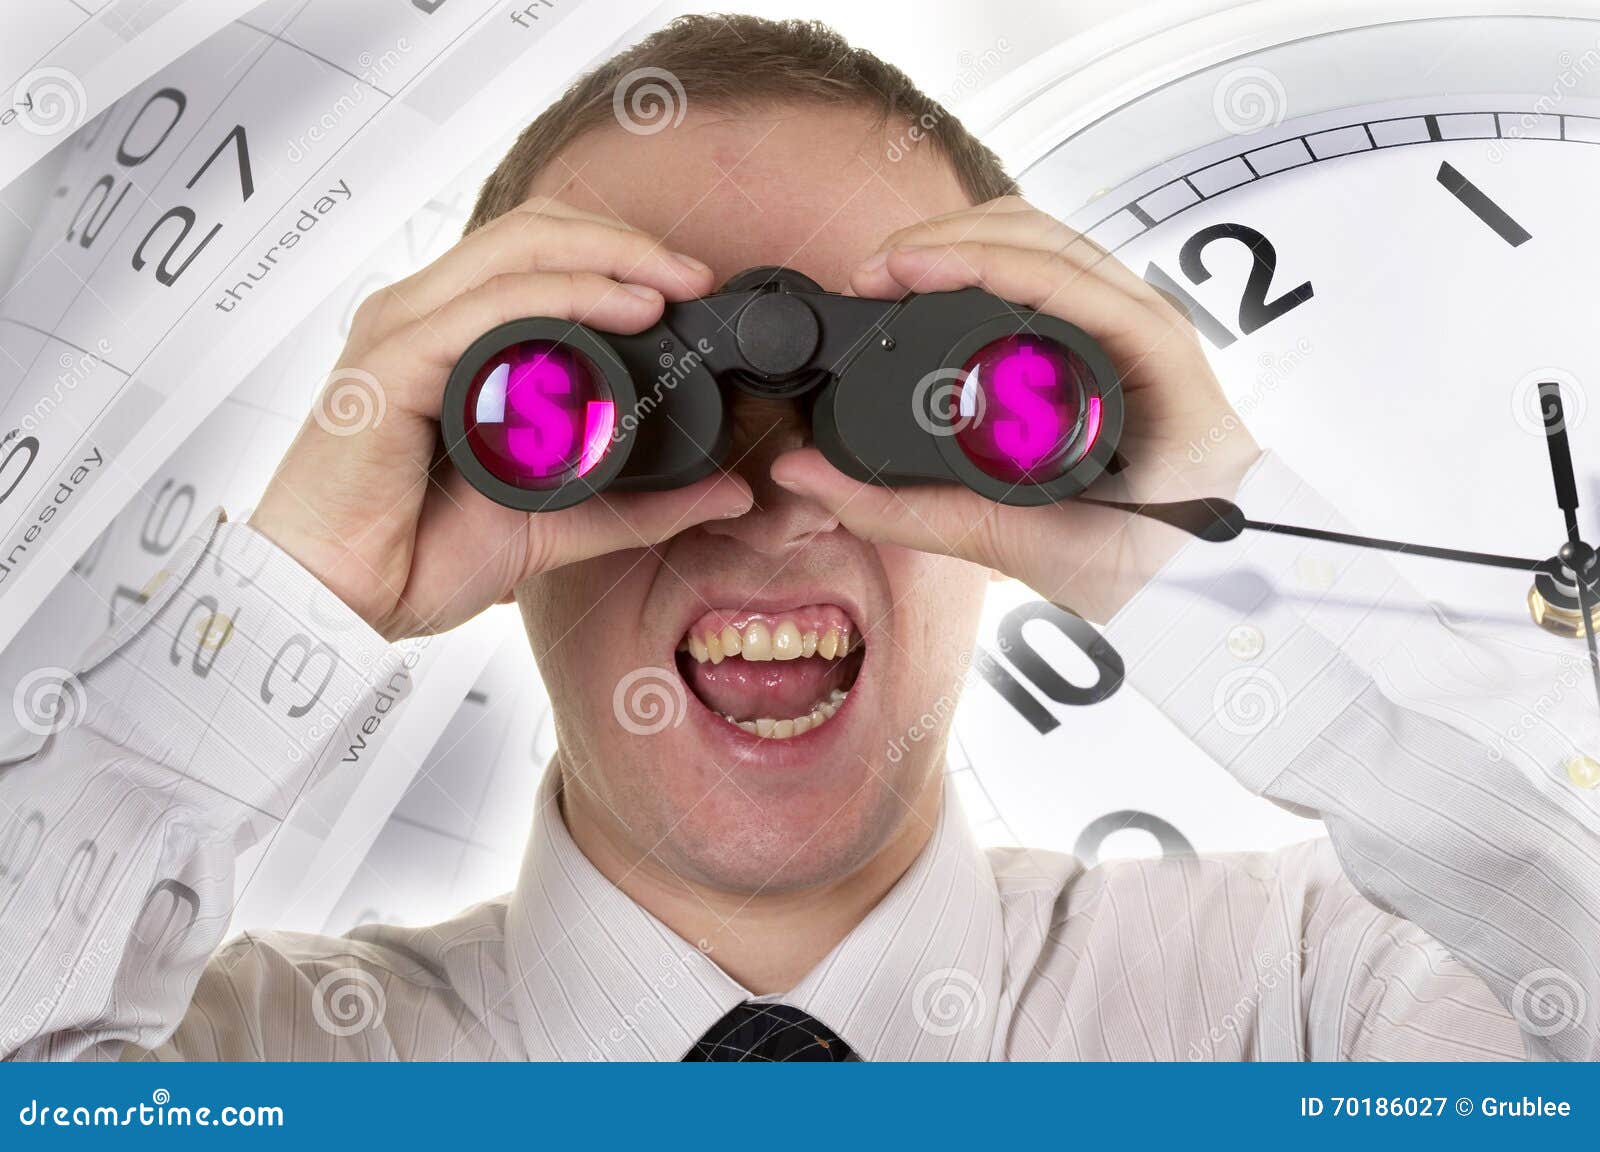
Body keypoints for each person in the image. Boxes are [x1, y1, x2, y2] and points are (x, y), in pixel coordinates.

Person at [3, 15, 1595, 1062]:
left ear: (1023, 478)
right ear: (469, 460)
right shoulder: (266, 1062)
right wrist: (298, 592)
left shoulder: (1316, 1005)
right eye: (605, 411)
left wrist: (1198, 520)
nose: (773, 500)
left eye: (898, 400)